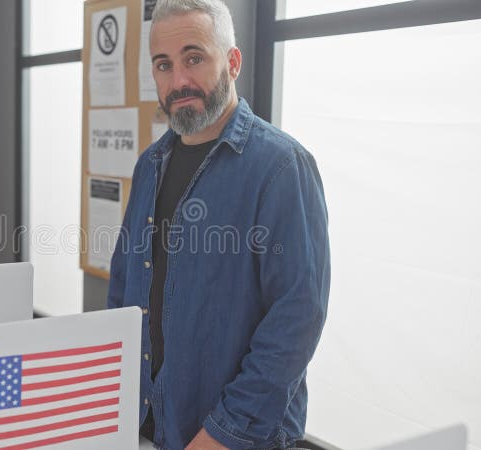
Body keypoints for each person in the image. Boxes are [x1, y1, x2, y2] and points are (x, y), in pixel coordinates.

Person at [106, 0, 331, 449]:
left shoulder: (282, 167)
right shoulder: (150, 165)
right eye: (163, 65)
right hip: (147, 429)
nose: (179, 81)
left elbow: (296, 320)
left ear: (232, 61)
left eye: (194, 58)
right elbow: (123, 292)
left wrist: (223, 435)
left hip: (236, 439)